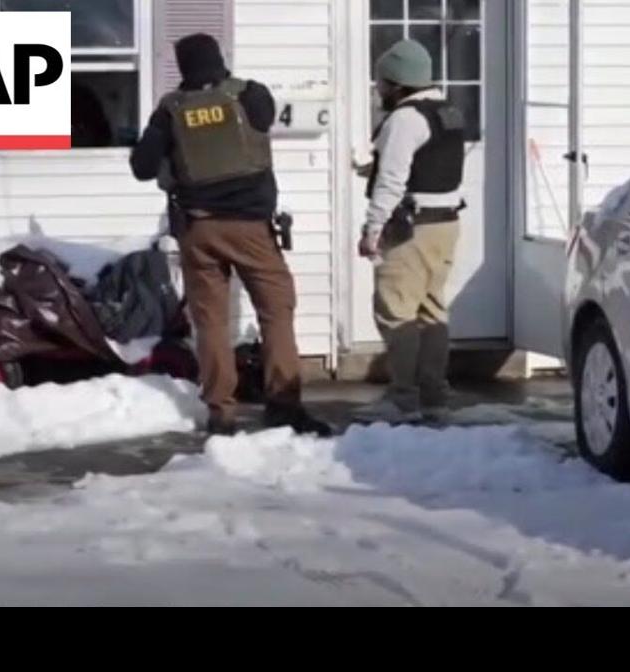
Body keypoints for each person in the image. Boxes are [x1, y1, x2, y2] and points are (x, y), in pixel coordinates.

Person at [129, 32, 331, 437]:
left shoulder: (170, 110)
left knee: (211, 322)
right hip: (251, 228)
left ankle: (221, 413)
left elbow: (142, 167)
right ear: (219, 60)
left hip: (199, 228)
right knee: (276, 310)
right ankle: (283, 404)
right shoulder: (250, 95)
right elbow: (264, 121)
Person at [355, 40, 466, 425]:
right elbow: (432, 163)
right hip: (446, 223)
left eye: (381, 83)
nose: (378, 90)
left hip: (410, 227)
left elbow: (392, 181)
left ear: (397, 84)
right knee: (431, 310)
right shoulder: (448, 110)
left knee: (395, 310)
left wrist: (372, 230)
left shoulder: (404, 119)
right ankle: (434, 396)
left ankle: (404, 399)